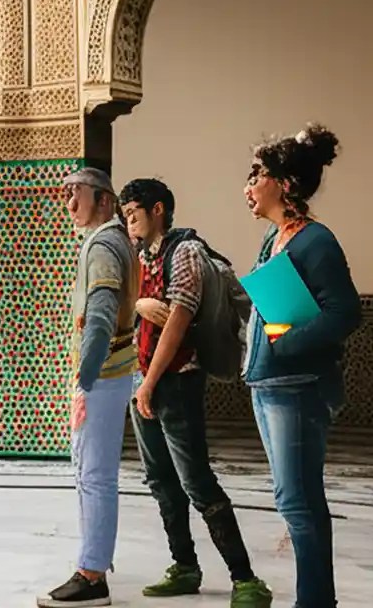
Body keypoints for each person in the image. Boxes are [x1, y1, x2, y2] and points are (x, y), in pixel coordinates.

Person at [118, 178, 272, 607]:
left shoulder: (183, 251)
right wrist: (138, 306)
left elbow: (179, 319)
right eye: (125, 215)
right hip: (141, 379)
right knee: (161, 481)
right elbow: (124, 300)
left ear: (159, 210)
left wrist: (148, 385)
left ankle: (246, 580)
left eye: (134, 214)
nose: (129, 223)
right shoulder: (138, 256)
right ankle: (184, 566)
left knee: (197, 482)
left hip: (176, 382)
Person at [242, 123, 360, 608]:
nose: (248, 186)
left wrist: (288, 346)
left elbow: (346, 312)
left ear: (285, 184)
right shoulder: (276, 238)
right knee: (297, 499)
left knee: (298, 501)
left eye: (257, 174)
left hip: (298, 386)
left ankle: (314, 602)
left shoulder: (316, 241)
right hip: (271, 384)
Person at [40, 167, 139, 608]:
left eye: (76, 193)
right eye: (65, 194)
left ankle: (92, 574)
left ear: (104, 199)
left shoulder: (102, 243)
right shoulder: (117, 240)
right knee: (92, 472)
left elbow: (100, 311)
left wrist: (85, 377)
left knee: (95, 475)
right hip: (111, 372)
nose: (69, 202)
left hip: (103, 373)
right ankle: (90, 563)